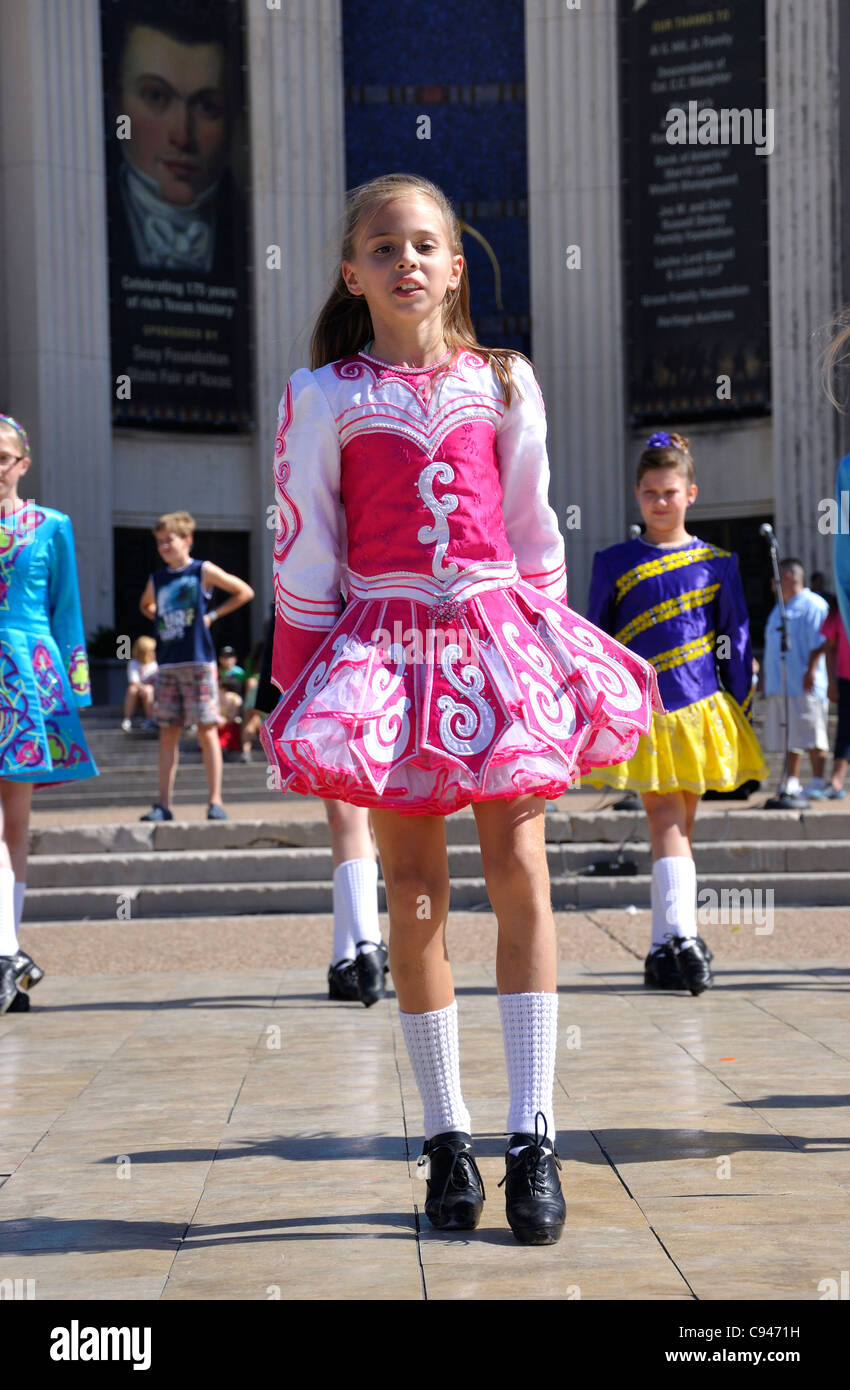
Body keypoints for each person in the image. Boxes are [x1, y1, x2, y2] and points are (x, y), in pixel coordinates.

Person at [260, 173, 658, 1243]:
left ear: (455, 265)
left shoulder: (506, 382)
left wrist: (550, 653)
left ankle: (532, 1133)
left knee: (521, 873)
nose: (406, 262)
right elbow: (309, 546)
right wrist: (300, 676)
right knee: (415, 890)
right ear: (353, 272)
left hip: (491, 645)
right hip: (386, 654)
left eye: (425, 245)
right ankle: (446, 1136)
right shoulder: (324, 393)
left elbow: (533, 537)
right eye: (383, 247)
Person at [586, 431, 768, 996]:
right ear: (636, 496)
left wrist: (739, 707)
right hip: (646, 712)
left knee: (680, 827)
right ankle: (683, 939)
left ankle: (663, 945)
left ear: (692, 492)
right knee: (666, 821)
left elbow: (735, 641)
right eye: (649, 493)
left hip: (700, 709)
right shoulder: (613, 562)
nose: (660, 502)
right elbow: (594, 637)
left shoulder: (718, 563)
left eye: (669, 492)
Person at [0, 413, 98, 1012]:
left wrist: (76, 695)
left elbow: (66, 611)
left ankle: (7, 948)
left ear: (23, 463)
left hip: (30, 680)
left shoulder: (51, 525)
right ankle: (8, 951)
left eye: (3, 456)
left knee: (15, 817)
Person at [255, 625, 389, 1008]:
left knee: (351, 821)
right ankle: (359, 950)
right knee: (352, 817)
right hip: (368, 652)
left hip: (341, 651)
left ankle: (354, 954)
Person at [138, 511, 253, 821]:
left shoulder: (201, 570)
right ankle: (163, 804)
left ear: (186, 540)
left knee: (206, 730)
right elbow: (145, 604)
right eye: (160, 542)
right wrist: (161, 619)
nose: (164, 546)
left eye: (169, 540)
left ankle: (215, 801)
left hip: (199, 662)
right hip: (168, 663)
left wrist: (211, 616)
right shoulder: (157, 579)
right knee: (168, 733)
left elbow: (244, 591)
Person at [762, 559, 829, 798]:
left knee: (813, 731)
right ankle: (792, 779)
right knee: (791, 736)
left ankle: (819, 780)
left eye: (775, 577)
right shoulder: (779, 609)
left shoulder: (813, 604)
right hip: (782, 685)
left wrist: (810, 670)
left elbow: (822, 642)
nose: (772, 583)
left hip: (806, 682)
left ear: (788, 577)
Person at [807, 592, 850, 799]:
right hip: (846, 678)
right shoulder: (840, 607)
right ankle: (836, 782)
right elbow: (830, 648)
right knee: (844, 732)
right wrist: (831, 682)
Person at [122, 635, 158, 730]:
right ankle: (127, 719)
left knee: (149, 690)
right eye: (151, 650)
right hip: (139, 695)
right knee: (132, 689)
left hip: (154, 696)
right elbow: (134, 682)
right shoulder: (134, 663)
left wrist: (147, 689)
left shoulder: (156, 664)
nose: (154, 652)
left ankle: (151, 720)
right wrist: (143, 688)